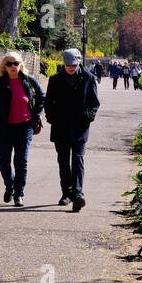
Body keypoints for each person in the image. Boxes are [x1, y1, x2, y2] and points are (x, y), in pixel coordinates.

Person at [0, 51, 45, 207]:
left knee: (21, 161)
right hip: (4, 128)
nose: (12, 66)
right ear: (4, 66)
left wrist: (35, 114)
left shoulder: (28, 81)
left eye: (15, 63)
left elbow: (42, 96)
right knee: (2, 161)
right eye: (9, 63)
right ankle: (9, 184)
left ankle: (18, 194)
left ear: (20, 64)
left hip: (25, 127)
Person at [44, 48, 100, 212]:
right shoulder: (55, 79)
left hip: (80, 127)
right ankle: (66, 194)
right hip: (60, 127)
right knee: (63, 161)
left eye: (73, 65)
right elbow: (48, 102)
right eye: (68, 65)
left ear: (78, 63)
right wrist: (51, 118)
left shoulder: (89, 78)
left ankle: (78, 194)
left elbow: (94, 102)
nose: (70, 68)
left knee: (78, 160)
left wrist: (88, 116)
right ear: (64, 64)